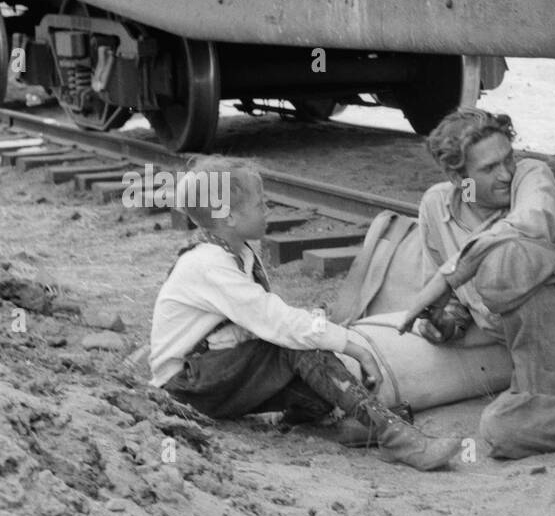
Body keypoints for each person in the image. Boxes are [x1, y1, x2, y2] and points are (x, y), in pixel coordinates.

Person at [148, 157, 459, 471]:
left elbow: (257, 324)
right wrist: (353, 346)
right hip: (184, 387)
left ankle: (328, 424)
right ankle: (396, 437)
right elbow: (276, 321)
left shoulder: (235, 249)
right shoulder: (208, 263)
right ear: (229, 217)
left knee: (319, 385)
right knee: (299, 347)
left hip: (212, 373)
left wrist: (318, 330)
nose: (267, 209)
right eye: (260, 203)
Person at [395, 108, 555, 458]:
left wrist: (449, 275)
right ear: (458, 178)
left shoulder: (531, 175)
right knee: (497, 430)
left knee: (508, 260)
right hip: (544, 366)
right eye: (488, 168)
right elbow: (455, 306)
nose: (505, 174)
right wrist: (445, 321)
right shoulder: (435, 207)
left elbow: (528, 227)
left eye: (507, 158)